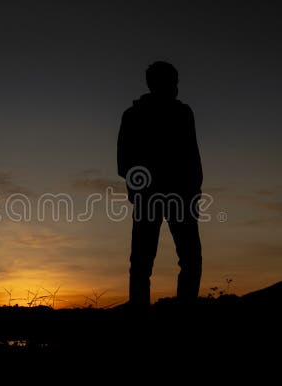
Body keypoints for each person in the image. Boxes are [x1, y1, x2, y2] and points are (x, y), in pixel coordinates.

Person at [117, 61, 203, 306]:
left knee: (189, 259)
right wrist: (141, 189)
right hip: (153, 198)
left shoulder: (183, 114)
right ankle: (140, 314)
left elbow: (192, 156)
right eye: (171, 82)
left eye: (175, 82)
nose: (175, 87)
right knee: (143, 263)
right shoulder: (133, 116)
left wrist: (194, 191)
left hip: (181, 197)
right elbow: (124, 161)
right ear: (155, 83)